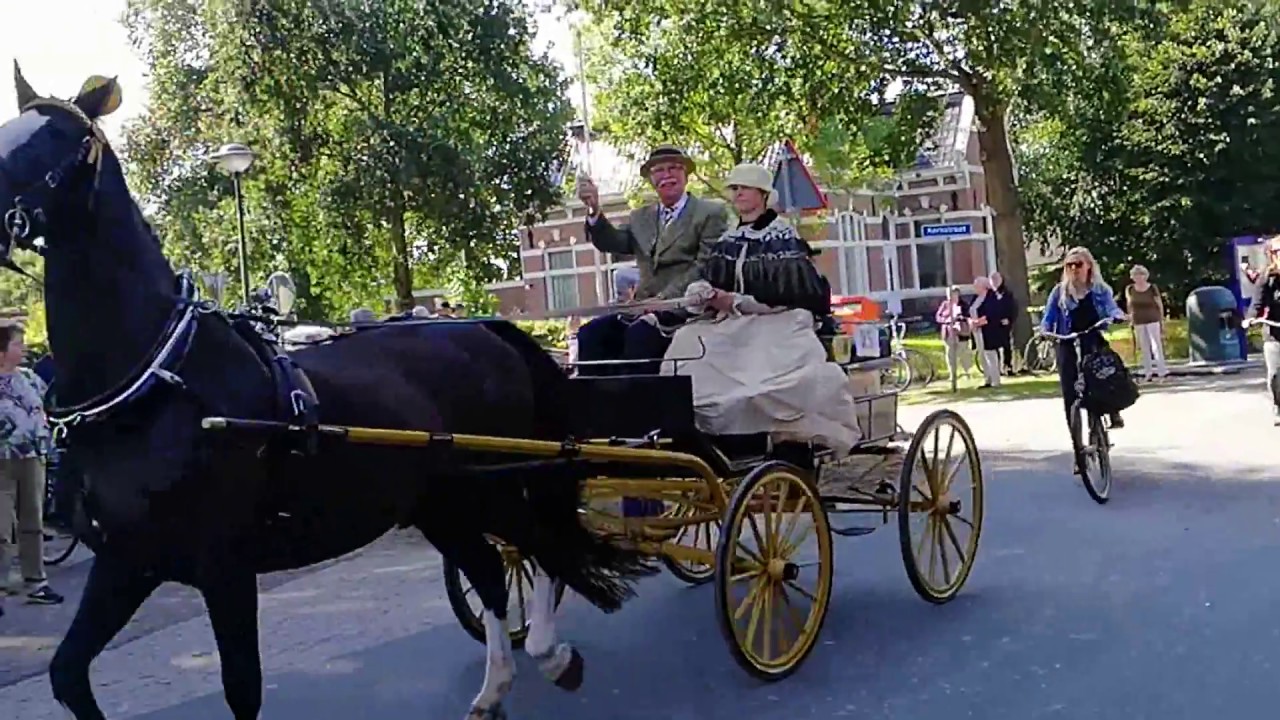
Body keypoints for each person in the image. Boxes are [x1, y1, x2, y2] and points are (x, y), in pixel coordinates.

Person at [575, 144, 730, 375]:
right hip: (640, 309)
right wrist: (594, 209)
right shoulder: (641, 217)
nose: (666, 175)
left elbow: (705, 265)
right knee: (590, 335)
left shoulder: (710, 213)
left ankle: (638, 406)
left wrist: (663, 300)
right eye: (659, 170)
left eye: (674, 168)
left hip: (682, 308)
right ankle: (596, 407)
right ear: (651, 179)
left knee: (640, 337)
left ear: (686, 175)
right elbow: (613, 242)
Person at [0, 322, 63, 607]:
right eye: (17, 344)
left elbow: (49, 404)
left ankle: (36, 582)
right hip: (2, 460)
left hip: (32, 458)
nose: (23, 349)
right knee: (1, 526)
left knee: (32, 521)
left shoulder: (28, 378)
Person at [1040, 247, 1128, 431]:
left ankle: (1113, 412)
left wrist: (1117, 315)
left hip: (1091, 336)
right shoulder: (1059, 292)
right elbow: (1049, 316)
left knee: (1107, 372)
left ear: (1088, 266)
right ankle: (1077, 444)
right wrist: (1045, 329)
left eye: (1078, 264)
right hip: (1067, 340)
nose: (1074, 269)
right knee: (1069, 390)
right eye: (1069, 265)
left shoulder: (1099, 290)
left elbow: (1110, 307)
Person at [1242, 236, 1280, 423]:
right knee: (1275, 374)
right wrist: (1250, 318)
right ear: (1272, 255)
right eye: (1278, 252)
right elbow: (1257, 303)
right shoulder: (1267, 278)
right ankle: (1278, 405)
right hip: (1275, 332)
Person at [1124, 264, 1168, 382]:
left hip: (1152, 318)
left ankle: (1161, 372)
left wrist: (1162, 319)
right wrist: (1130, 318)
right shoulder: (1130, 289)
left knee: (1156, 346)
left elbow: (1159, 304)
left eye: (1141, 274)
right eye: (1136, 275)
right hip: (1138, 320)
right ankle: (1148, 373)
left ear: (1145, 276)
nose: (1138, 277)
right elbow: (1129, 304)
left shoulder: (1152, 288)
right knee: (1144, 347)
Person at [970, 277, 1004, 388]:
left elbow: (993, 313)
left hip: (989, 330)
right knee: (981, 355)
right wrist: (971, 321)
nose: (975, 288)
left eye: (976, 285)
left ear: (983, 286)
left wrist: (980, 321)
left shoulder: (991, 297)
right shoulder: (976, 298)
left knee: (991, 355)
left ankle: (995, 380)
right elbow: (969, 311)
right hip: (977, 331)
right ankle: (987, 379)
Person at [935, 287, 974, 380]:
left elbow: (968, 316)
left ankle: (967, 372)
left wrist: (960, 318)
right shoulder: (945, 304)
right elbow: (938, 316)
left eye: (953, 293)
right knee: (950, 354)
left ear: (958, 294)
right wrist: (947, 318)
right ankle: (952, 374)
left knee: (964, 353)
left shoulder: (964, 305)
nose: (950, 296)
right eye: (949, 294)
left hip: (961, 332)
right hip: (949, 332)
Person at [988, 271, 1017, 374]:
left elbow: (1013, 308)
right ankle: (996, 367)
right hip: (992, 324)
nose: (995, 282)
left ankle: (1008, 366)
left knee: (1006, 345)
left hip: (1004, 324)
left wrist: (1009, 319)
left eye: (997, 280)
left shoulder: (1007, 293)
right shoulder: (989, 294)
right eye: (993, 280)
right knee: (994, 346)